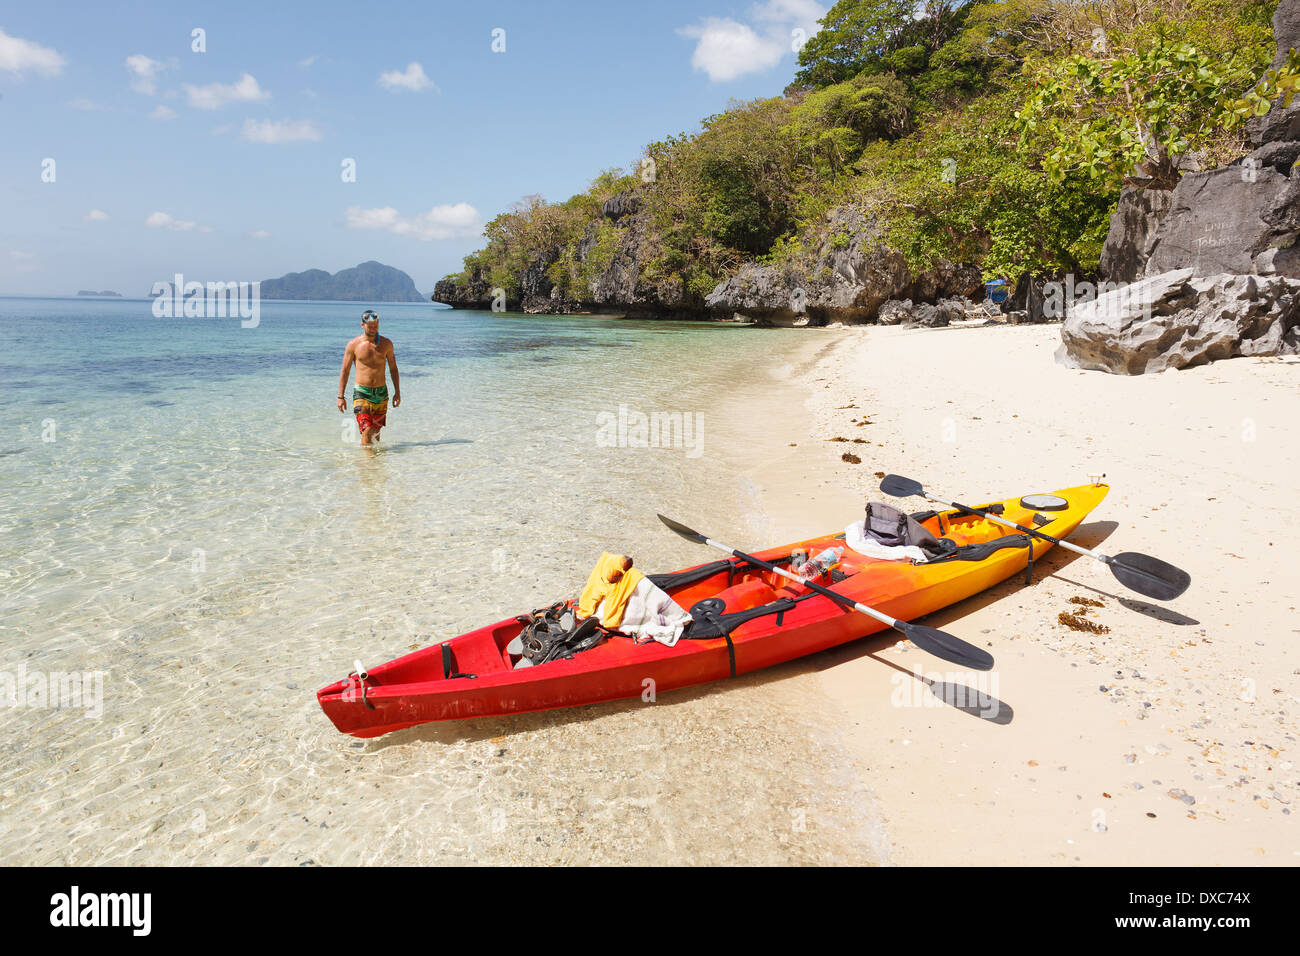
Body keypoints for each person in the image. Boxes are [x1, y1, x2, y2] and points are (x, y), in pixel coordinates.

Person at [337, 309, 400, 446]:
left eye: (375, 326)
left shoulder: (386, 344)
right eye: (370, 326)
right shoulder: (353, 345)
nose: (373, 329)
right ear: (362, 325)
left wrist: (397, 392)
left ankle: (376, 464)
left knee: (376, 432)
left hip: (382, 393)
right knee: (367, 430)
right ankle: (366, 465)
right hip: (362, 393)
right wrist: (340, 396)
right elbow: (345, 371)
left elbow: (393, 369)